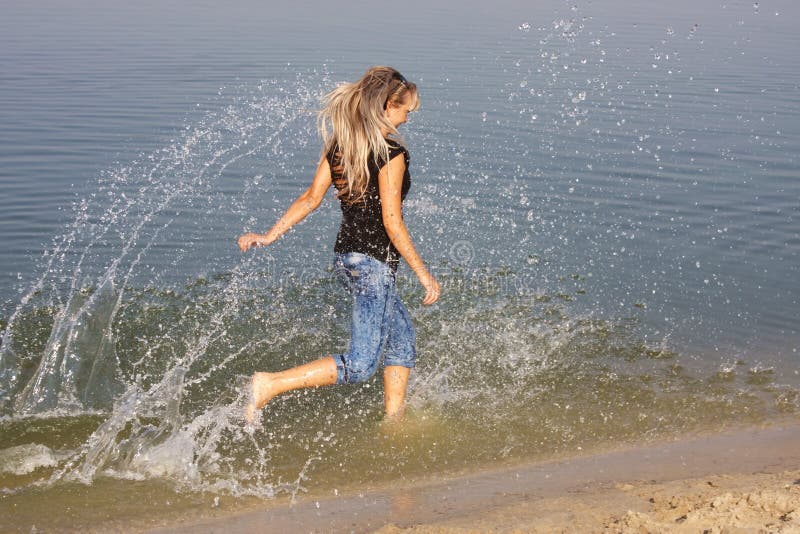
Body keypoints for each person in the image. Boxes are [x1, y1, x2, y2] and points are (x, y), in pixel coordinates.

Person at [237, 66, 440, 423]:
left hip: (347, 258)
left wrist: (269, 235)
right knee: (360, 365)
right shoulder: (391, 154)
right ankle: (269, 384)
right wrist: (424, 274)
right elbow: (392, 222)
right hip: (373, 264)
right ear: (389, 105)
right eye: (406, 110)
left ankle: (394, 423)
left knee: (402, 339)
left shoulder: (340, 145)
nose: (407, 119)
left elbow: (310, 198)